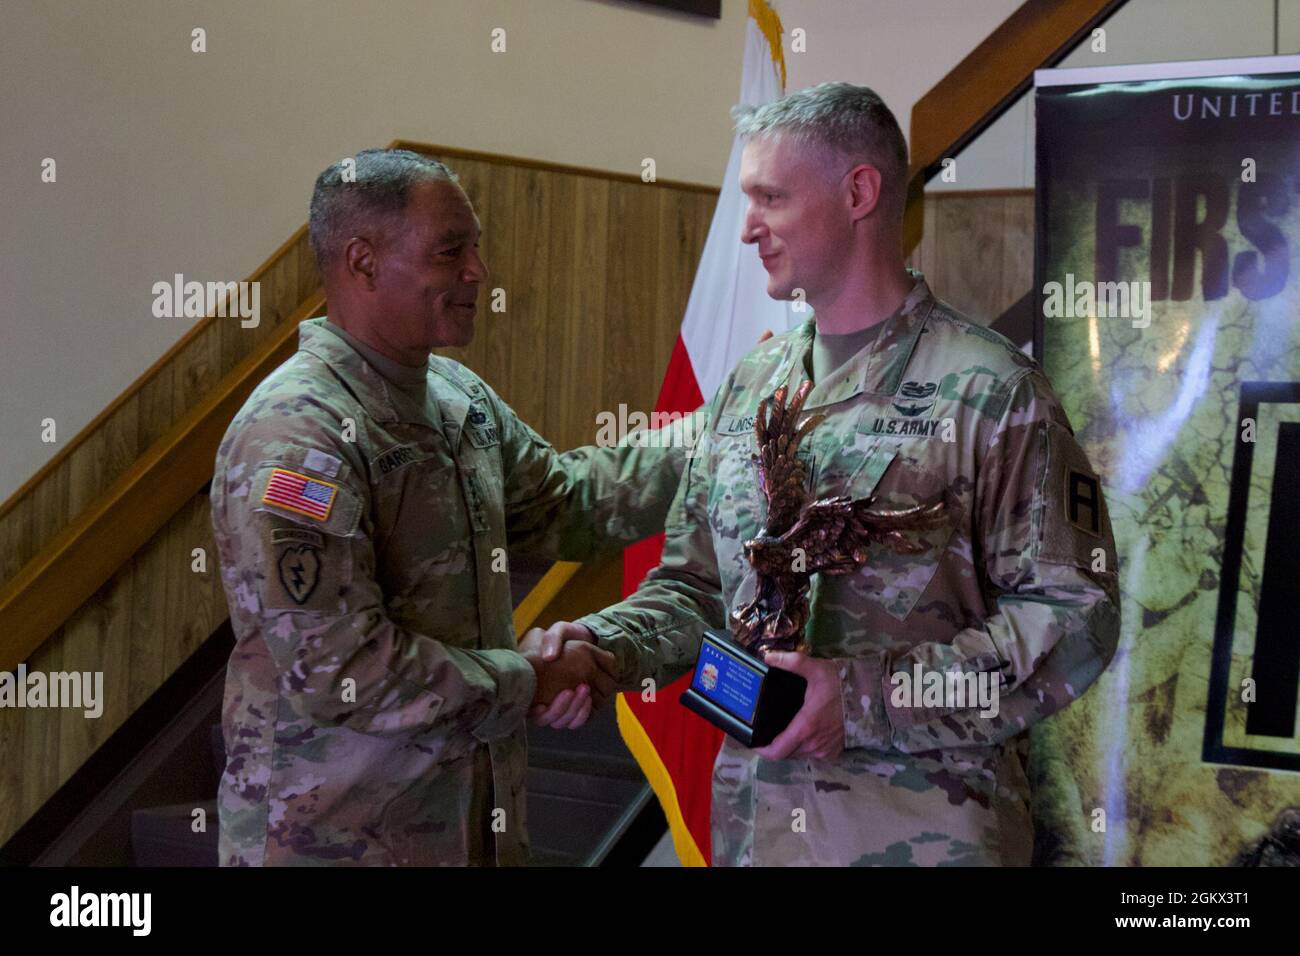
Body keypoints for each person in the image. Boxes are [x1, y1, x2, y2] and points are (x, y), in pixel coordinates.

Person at [530, 82, 1121, 866]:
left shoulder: (992, 391)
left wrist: (865, 699)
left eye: (771, 198)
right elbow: (697, 589)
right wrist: (602, 647)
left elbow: (1075, 616)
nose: (748, 227)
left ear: (858, 193)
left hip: (920, 839)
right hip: (756, 829)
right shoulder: (753, 386)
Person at [210, 148, 702, 866]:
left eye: (476, 247)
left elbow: (566, 504)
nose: (478, 271)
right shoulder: (297, 434)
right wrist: (528, 679)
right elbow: (343, 667)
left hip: (472, 832)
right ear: (363, 261)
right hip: (341, 846)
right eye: (450, 252)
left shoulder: (456, 397)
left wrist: (723, 433)